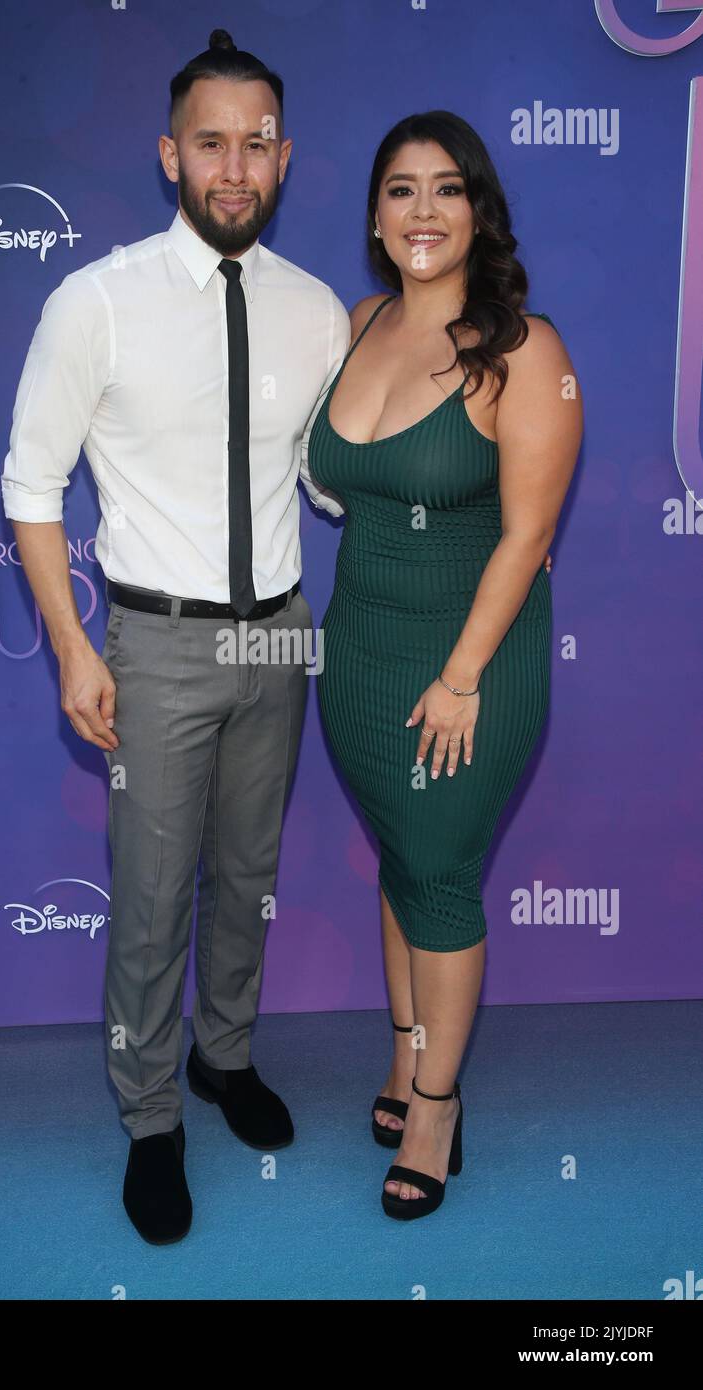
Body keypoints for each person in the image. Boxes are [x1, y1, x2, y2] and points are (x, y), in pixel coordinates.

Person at [0, 29, 348, 1244]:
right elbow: (29, 489)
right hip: (150, 645)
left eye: (257, 142)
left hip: (277, 641)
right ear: (170, 155)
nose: (234, 165)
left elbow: (328, 479)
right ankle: (150, 1115)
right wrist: (72, 648)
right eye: (211, 141)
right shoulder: (93, 300)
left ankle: (223, 1058)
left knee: (245, 880)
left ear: (285, 157)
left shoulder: (317, 313)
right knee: (151, 899)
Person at [302, 111, 582, 1220]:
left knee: (441, 875)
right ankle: (402, 1049)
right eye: (400, 190)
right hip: (361, 650)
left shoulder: (524, 348)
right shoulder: (363, 321)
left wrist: (461, 675)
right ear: (374, 216)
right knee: (401, 862)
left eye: (446, 189)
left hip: (470, 662)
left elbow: (525, 533)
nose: (423, 210)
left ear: (478, 212)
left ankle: (433, 1105)